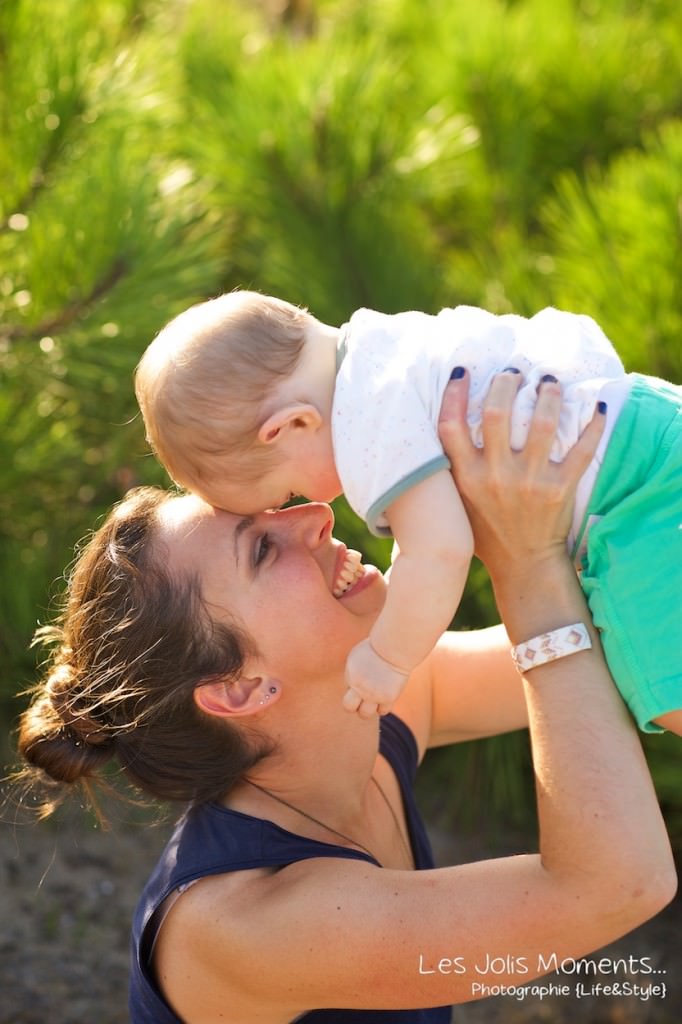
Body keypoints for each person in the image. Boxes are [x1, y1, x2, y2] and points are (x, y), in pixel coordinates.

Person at [16, 372, 676, 1023]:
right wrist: (526, 561)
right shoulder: (251, 926)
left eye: (275, 510)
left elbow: (601, 650)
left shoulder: (370, 700)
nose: (314, 513)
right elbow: (615, 886)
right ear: (240, 689)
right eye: (264, 550)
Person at [134, 291, 682, 730]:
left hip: (633, 491)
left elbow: (441, 549)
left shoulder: (367, 424)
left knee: (664, 683)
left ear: (291, 426)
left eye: (288, 494)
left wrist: (388, 657)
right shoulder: (382, 354)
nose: (316, 509)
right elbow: (430, 532)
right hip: (647, 432)